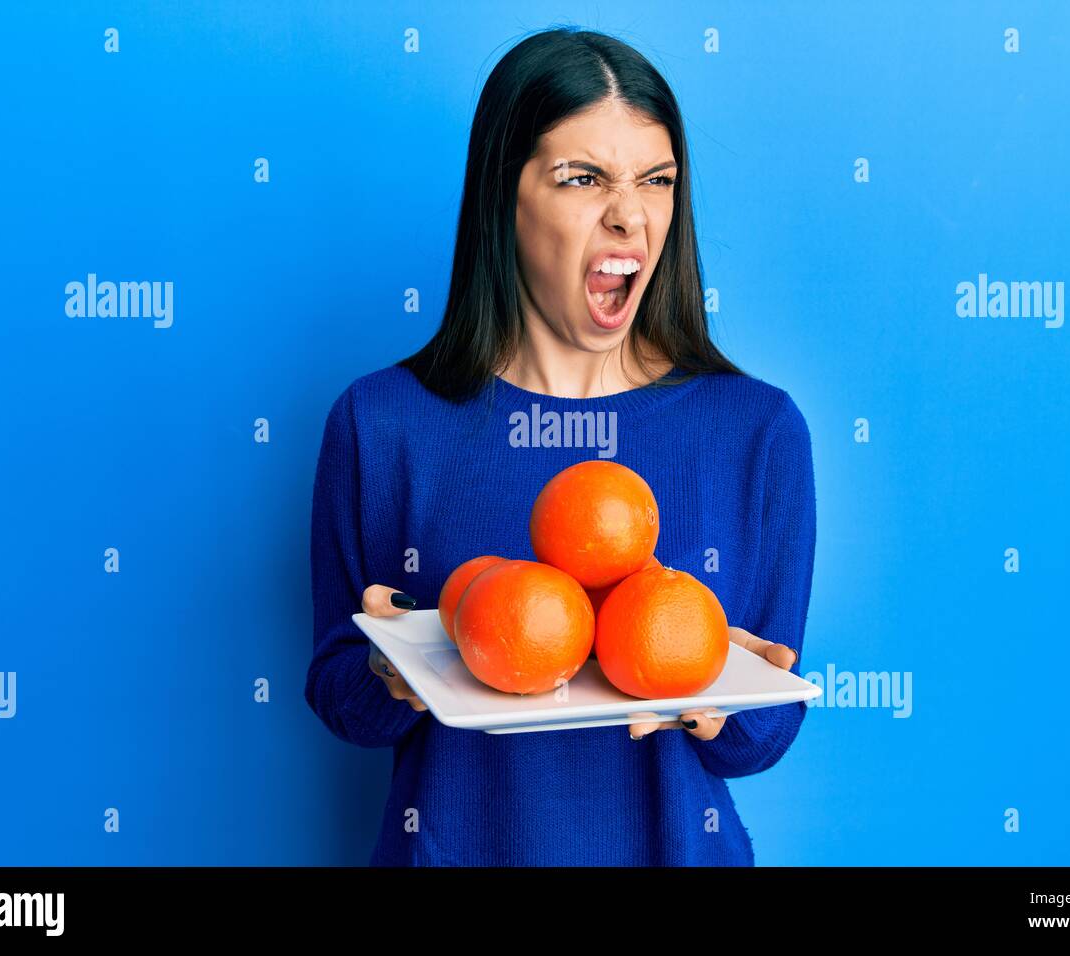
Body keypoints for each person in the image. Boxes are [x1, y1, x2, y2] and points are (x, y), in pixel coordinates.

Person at [304, 27, 816, 866]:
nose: (630, 214)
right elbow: (337, 698)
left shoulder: (756, 431)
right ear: (503, 196)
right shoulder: (381, 423)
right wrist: (387, 668)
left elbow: (763, 737)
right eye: (583, 179)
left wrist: (727, 698)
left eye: (656, 181)